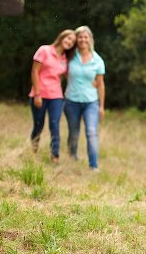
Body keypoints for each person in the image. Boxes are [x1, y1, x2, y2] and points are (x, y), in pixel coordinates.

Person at [29, 29, 76, 163]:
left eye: (72, 42)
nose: (69, 42)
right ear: (61, 37)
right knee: (38, 125)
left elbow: (69, 77)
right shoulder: (44, 50)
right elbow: (34, 72)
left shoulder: (65, 59)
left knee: (55, 125)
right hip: (39, 95)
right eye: (68, 38)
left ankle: (55, 156)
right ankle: (33, 152)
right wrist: (37, 94)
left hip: (56, 96)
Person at [64, 25, 106, 171]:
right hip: (71, 102)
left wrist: (101, 106)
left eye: (85, 37)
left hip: (91, 103)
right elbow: (61, 70)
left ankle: (93, 166)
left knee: (91, 132)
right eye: (80, 37)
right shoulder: (70, 57)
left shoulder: (98, 60)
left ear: (90, 39)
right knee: (73, 132)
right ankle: (72, 158)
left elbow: (100, 85)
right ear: (77, 39)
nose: (82, 39)